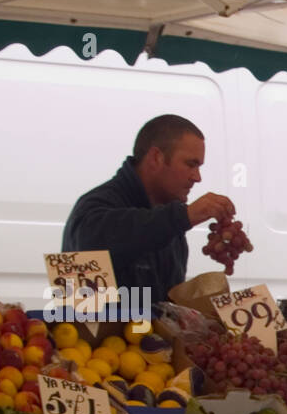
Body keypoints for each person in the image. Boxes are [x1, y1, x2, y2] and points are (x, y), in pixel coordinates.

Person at [63, 115, 237, 301]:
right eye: (190, 164)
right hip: (100, 329)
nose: (197, 177)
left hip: (148, 330)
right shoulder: (95, 206)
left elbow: (167, 306)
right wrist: (183, 216)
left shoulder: (171, 218)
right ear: (156, 158)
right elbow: (92, 244)